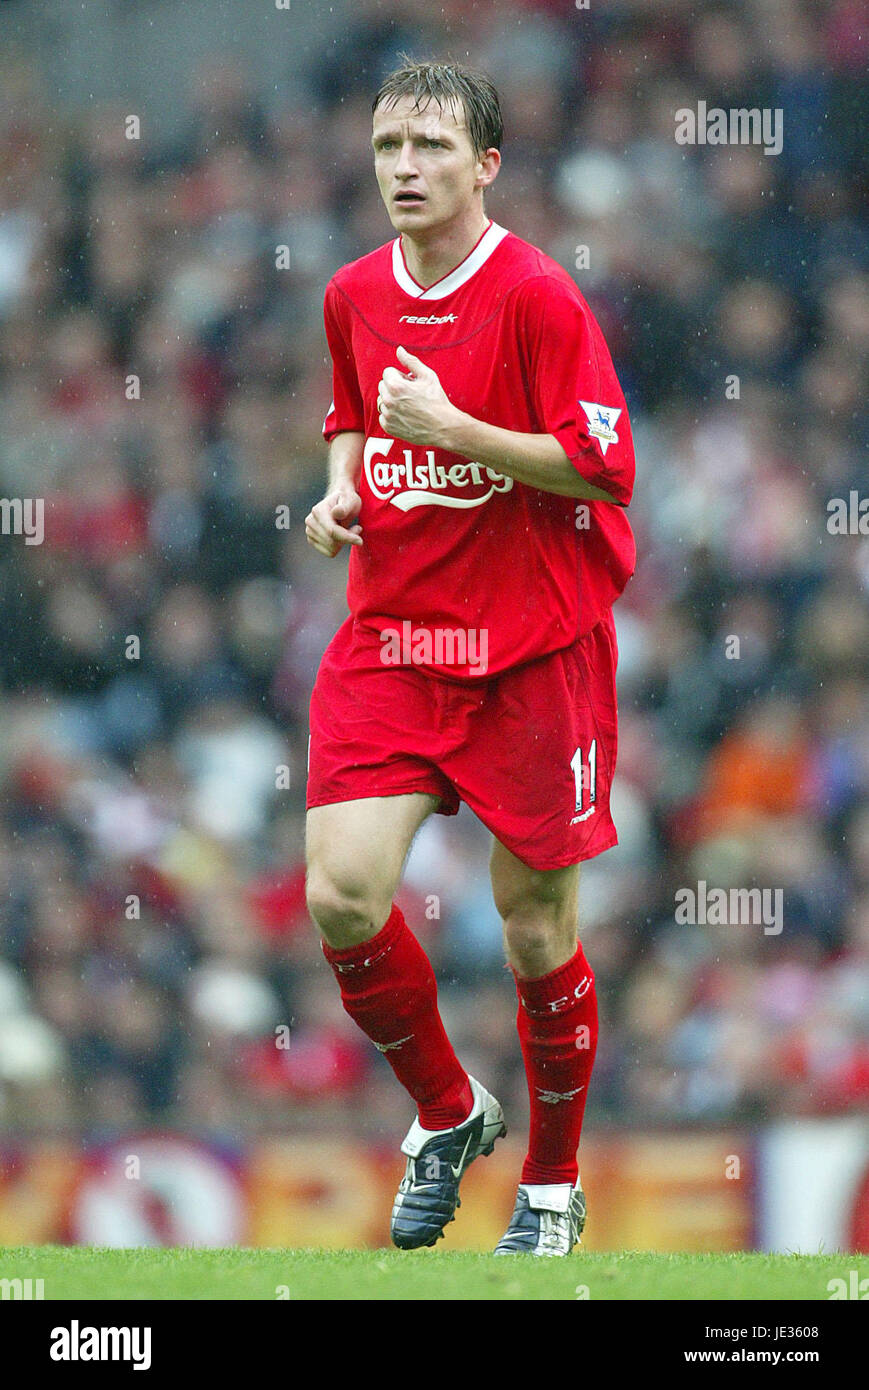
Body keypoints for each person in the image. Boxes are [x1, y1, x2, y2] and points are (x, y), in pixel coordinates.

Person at [304, 56, 636, 1256]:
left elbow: (604, 465)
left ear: (484, 164)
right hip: (394, 636)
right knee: (339, 892)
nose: (404, 167)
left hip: (532, 647)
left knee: (533, 925)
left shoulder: (540, 296)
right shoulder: (349, 291)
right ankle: (448, 1114)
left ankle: (550, 1187)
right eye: (390, 146)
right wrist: (340, 489)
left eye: (431, 148)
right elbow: (350, 410)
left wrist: (458, 433)